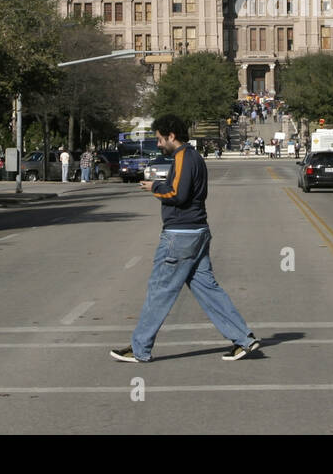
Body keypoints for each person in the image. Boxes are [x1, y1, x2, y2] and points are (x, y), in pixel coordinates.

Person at [111, 114, 259, 363]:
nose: (158, 145)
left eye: (159, 139)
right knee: (207, 288)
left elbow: (177, 194)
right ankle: (244, 339)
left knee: (160, 290)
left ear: (171, 136)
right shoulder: (195, 157)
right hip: (198, 231)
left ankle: (140, 348)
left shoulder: (182, 157)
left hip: (180, 234)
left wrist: (154, 187)